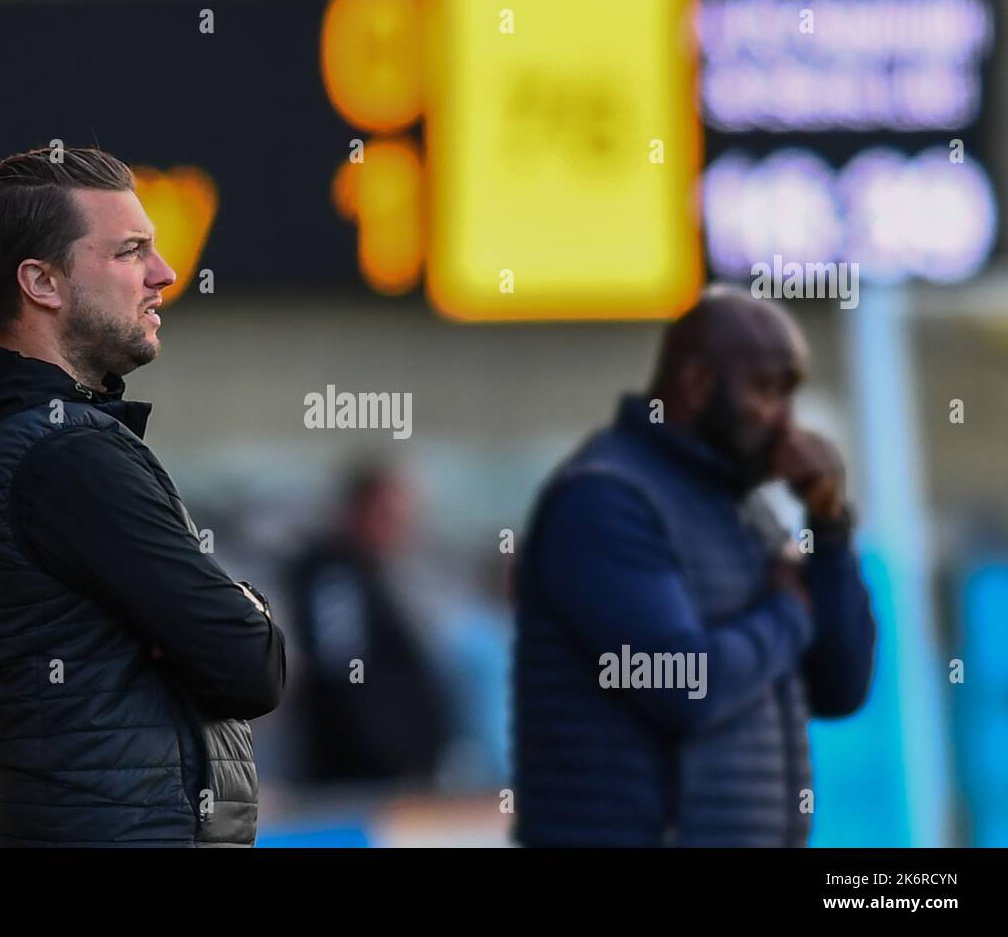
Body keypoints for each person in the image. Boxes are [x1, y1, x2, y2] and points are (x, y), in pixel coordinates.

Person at [0, 146, 286, 847]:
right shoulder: (65, 455)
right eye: (131, 251)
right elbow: (248, 664)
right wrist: (244, 605)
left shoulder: (16, 440)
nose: (165, 274)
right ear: (42, 282)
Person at [513, 285, 877, 846]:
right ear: (697, 384)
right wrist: (788, 614)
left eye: (791, 396)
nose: (787, 424)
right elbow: (683, 686)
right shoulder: (604, 500)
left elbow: (841, 687)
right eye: (766, 391)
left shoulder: (744, 509)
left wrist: (828, 528)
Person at [286, 464, 451, 788]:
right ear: (357, 510)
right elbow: (342, 673)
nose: (399, 527)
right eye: (387, 514)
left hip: (387, 778)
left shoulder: (367, 574)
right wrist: (390, 754)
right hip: (359, 783)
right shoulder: (334, 577)